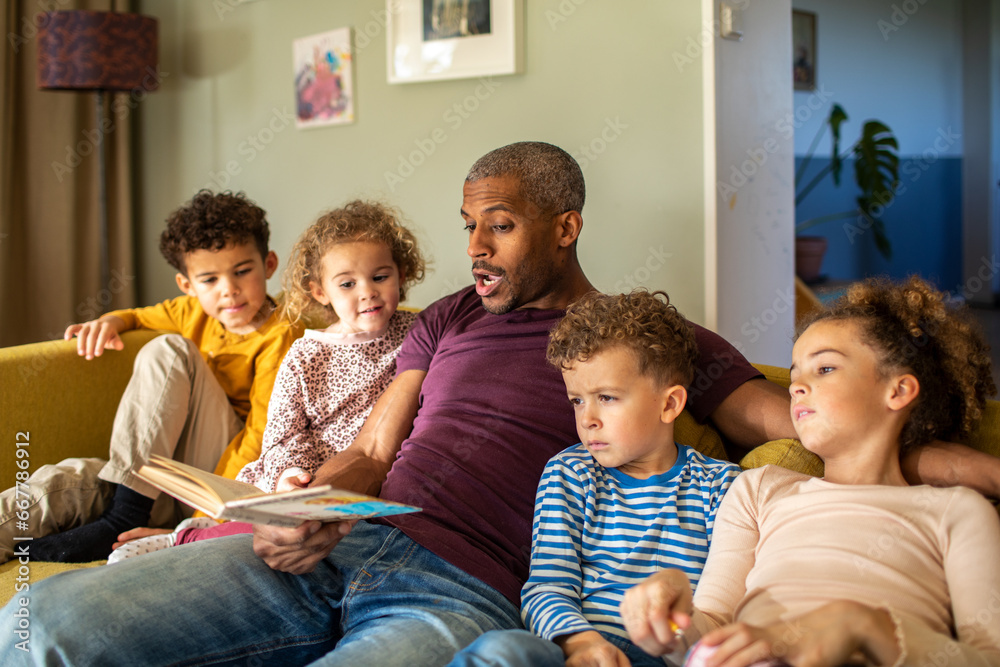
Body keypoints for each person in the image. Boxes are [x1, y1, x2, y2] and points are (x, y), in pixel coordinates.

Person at [1, 143, 995, 666]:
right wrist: (304, 504)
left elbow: (810, 427)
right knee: (36, 623)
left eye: (503, 224)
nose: (476, 246)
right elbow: (375, 451)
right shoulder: (442, 321)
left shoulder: (651, 338)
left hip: (460, 591)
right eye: (469, 224)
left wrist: (963, 465)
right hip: (339, 544)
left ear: (564, 227)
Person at [620, 276, 1000, 667]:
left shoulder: (957, 511)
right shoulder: (759, 489)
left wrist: (864, 626)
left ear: (898, 391)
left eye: (825, 368)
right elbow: (713, 632)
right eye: (795, 372)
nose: (796, 385)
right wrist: (673, 616)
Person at [106, 199, 426, 563]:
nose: (367, 292)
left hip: (376, 476)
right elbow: (281, 433)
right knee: (267, 525)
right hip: (307, 476)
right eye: (348, 283)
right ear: (320, 291)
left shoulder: (421, 333)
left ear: (401, 273)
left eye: (380, 277)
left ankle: (188, 531)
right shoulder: (306, 354)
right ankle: (186, 536)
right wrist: (290, 474)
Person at [0, 190, 303, 563]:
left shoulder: (281, 334)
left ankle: (123, 516)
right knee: (62, 481)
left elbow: (261, 437)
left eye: (242, 271)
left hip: (220, 483)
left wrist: (199, 522)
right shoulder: (189, 311)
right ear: (187, 285)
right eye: (209, 280)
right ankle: (123, 506)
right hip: (156, 481)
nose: (229, 290)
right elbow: (140, 317)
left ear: (268, 264)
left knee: (170, 350)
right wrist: (112, 320)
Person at [448, 289, 742, 667]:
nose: (588, 419)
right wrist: (582, 643)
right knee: (499, 650)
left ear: (669, 404)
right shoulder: (570, 473)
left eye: (606, 397)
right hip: (576, 646)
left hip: (663, 655)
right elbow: (547, 587)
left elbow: (725, 606)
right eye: (577, 400)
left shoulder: (721, 486)